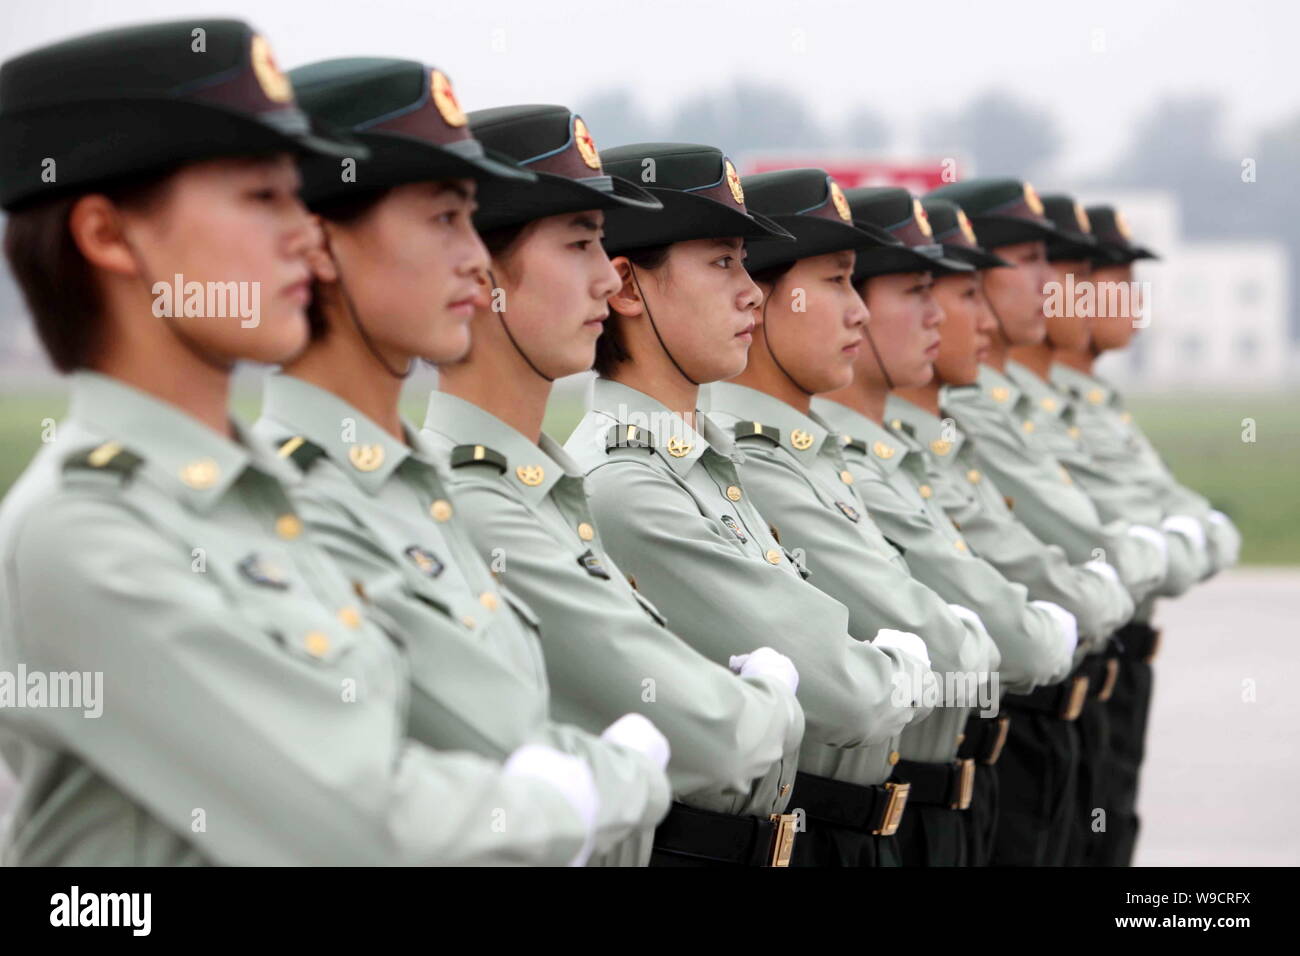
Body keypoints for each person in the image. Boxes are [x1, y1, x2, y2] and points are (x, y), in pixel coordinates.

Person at [0, 19, 634, 865]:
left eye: (299, 199)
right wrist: (601, 786)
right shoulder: (86, 531)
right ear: (109, 237)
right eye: (262, 199)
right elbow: (363, 826)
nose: (307, 237)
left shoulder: (256, 496)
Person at [251, 58, 675, 866]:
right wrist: (620, 778)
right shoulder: (300, 494)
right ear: (322, 245)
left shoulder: (414, 483)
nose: (477, 262)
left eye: (475, 224)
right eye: (444, 220)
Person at [419, 117, 807, 867]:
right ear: (479, 273)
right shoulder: (474, 494)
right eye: (578, 243)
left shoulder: (544, 480)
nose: (605, 276)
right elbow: (716, 735)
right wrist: (766, 704)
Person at [567, 159, 948, 867]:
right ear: (626, 287)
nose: (752, 295)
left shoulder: (702, 461)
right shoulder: (628, 480)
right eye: (722, 264)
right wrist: (904, 668)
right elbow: (845, 691)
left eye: (747, 265)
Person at [810, 187, 1081, 865]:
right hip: (867, 816)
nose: (960, 320)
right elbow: (992, 644)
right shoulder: (819, 465)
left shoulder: (874, 454)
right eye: (918, 292)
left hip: (949, 792)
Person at [926, 177, 1178, 865]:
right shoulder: (972, 412)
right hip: (1012, 722)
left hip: (1072, 694)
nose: (1057, 286)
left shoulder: (1037, 400)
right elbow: (1101, 554)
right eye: (1037, 261)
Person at [881, 196, 1136, 865]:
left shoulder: (933, 439)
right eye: (940, 294)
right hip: (915, 793)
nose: (981, 320)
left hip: (983, 765)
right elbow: (1020, 631)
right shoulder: (881, 457)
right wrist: (1071, 607)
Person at [1045, 202, 1241, 864]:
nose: (1133, 300)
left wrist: (1178, 540)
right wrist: (1173, 542)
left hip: (1110, 667)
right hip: (1060, 680)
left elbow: (1187, 528)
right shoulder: (1024, 411)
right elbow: (1145, 544)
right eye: (1111, 280)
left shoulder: (1090, 401)